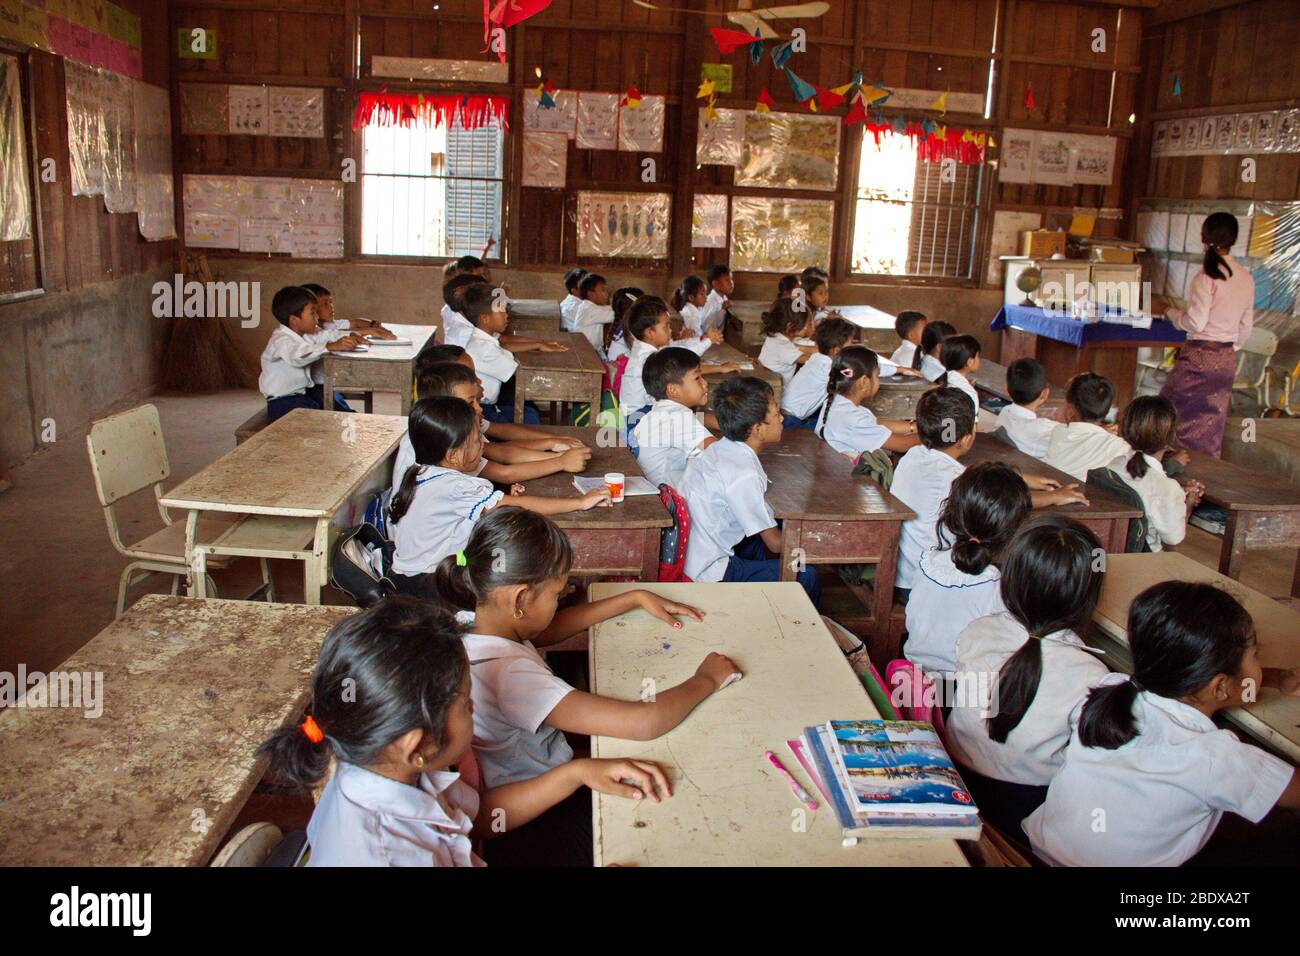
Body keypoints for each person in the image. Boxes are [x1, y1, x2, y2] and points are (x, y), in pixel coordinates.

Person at [257, 596, 671, 866]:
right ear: (417, 745)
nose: (475, 709)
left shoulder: (379, 764)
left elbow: (479, 818)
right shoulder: (392, 855)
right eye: (467, 704)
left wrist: (574, 773)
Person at [1025, 581, 1300, 866]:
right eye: (1255, 655)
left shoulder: (1109, 690)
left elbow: (1222, 686)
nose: (1259, 662)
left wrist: (1276, 679)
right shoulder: (1215, 758)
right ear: (1219, 686)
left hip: (1039, 854)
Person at [945, 517, 1109, 838]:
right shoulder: (1093, 675)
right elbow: (1087, 766)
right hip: (1025, 808)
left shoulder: (976, 632)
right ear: (1087, 599)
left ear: (1007, 581)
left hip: (957, 779)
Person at [678, 376, 822, 607]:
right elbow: (775, 543)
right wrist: (821, 544)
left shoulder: (719, 449)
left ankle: (766, 604)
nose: (782, 418)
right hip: (707, 572)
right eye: (776, 415)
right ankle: (805, 632)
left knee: (756, 544)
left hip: (691, 551)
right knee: (806, 573)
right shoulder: (743, 473)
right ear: (757, 429)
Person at [903, 462, 1031, 678]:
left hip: (911, 679)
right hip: (959, 691)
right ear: (1015, 529)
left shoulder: (927, 563)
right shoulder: (997, 587)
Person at [1157, 211, 1255, 457]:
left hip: (1199, 356)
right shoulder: (1246, 277)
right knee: (1210, 425)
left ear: (1203, 237)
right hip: (1225, 360)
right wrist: (1227, 348)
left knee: (1171, 412)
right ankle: (1203, 477)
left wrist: (1168, 311)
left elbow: (1195, 323)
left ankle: (1170, 467)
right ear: (1233, 240)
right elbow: (1246, 327)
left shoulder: (1205, 277)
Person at [259, 285, 366, 421]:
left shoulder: (306, 334)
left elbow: (328, 335)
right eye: (312, 313)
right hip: (282, 403)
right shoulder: (281, 340)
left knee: (331, 411)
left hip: (301, 396)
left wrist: (351, 335)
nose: (317, 318)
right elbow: (298, 356)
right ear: (294, 320)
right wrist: (330, 346)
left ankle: (350, 420)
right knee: (320, 424)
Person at [815, 346, 919, 457]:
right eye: (877, 376)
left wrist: (917, 427)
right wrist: (931, 434)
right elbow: (902, 444)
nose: (878, 380)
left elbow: (879, 423)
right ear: (864, 381)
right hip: (849, 471)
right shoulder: (854, 419)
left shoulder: (837, 403)